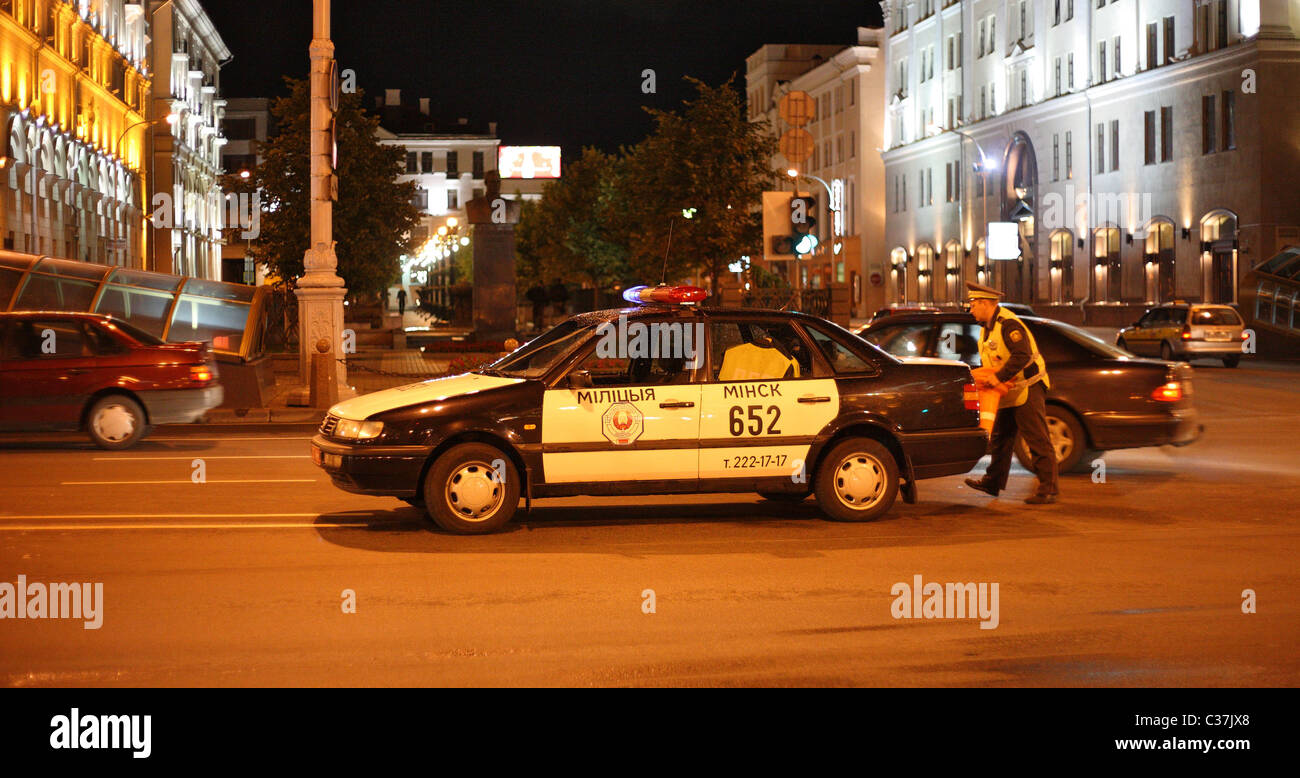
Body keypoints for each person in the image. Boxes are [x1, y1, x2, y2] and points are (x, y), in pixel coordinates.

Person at [962, 281, 1059, 505]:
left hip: (1028, 386)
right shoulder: (987, 327)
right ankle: (992, 482)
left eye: (974, 304)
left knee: (1036, 438)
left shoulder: (1008, 325)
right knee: (1001, 439)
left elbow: (1022, 355)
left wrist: (997, 377)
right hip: (1009, 389)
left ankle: (1049, 489)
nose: (971, 309)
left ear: (986, 304)